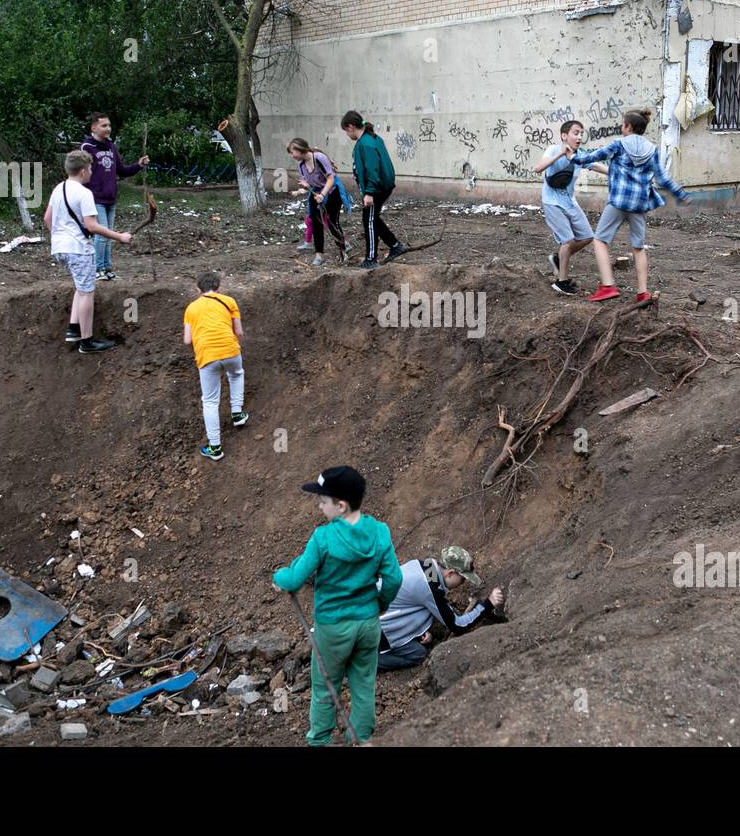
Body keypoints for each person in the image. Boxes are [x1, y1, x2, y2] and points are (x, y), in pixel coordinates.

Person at [272, 467, 402, 746]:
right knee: (364, 685)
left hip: (332, 628)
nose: (319, 506)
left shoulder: (323, 538)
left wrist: (278, 576)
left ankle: (320, 740)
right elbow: (394, 578)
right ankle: (361, 737)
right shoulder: (380, 533)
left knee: (325, 686)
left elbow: (294, 579)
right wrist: (379, 604)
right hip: (368, 624)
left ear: (341, 506)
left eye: (323, 501)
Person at [541, 109, 690, 304]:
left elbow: (594, 156)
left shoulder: (619, 144)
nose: (621, 127)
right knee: (638, 247)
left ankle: (608, 286)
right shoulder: (652, 149)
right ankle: (643, 292)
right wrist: (680, 193)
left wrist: (573, 158)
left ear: (627, 127)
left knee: (599, 241)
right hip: (640, 204)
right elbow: (662, 178)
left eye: (623, 124)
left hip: (619, 201)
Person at [44, 149, 132, 354]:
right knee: (86, 293)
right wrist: (119, 236)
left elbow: (48, 218)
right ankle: (87, 341)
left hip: (60, 248)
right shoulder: (84, 193)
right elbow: (92, 226)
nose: (92, 172)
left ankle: (74, 328)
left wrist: (60, 237)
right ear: (83, 171)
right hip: (79, 249)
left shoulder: (58, 188)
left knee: (80, 285)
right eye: (91, 168)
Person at [377, 546, 504, 670]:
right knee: (418, 654)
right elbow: (457, 625)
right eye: (462, 579)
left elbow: (405, 604)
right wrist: (488, 604)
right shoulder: (430, 587)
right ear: (450, 573)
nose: (462, 583)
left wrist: (417, 634)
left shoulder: (425, 565)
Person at [534, 120, 607, 295]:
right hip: (552, 201)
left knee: (587, 236)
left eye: (581, 133)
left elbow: (596, 165)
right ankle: (561, 282)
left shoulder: (579, 156)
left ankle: (558, 259)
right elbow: (538, 168)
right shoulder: (553, 149)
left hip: (569, 202)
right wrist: (561, 154)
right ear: (564, 135)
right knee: (567, 241)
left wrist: (620, 173)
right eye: (576, 133)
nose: (579, 137)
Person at [183, 272, 248, 461]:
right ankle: (237, 413)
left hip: (207, 356)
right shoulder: (229, 301)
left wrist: (200, 351)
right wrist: (236, 347)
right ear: (219, 288)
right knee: (236, 374)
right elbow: (239, 331)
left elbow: (187, 340)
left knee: (210, 401)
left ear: (198, 290)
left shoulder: (191, 308)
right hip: (231, 350)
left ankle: (215, 447)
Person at [80, 112, 149, 281]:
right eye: (104, 125)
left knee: (108, 235)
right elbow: (80, 174)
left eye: (109, 125)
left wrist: (138, 165)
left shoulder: (111, 146)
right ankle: (97, 270)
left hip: (110, 198)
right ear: (93, 128)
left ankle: (106, 268)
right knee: (102, 233)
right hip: (95, 198)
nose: (108, 128)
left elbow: (122, 171)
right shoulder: (87, 147)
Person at [341, 110, 406, 270]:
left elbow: (373, 168)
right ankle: (395, 245)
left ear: (351, 127)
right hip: (380, 186)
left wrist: (369, 192)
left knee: (369, 220)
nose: (347, 135)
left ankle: (371, 259)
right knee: (373, 218)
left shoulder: (366, 143)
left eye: (346, 131)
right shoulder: (372, 138)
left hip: (376, 188)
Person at [288, 138, 348, 265]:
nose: (291, 155)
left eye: (292, 152)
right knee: (316, 223)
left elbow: (330, 179)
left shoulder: (319, 158)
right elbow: (309, 184)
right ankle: (319, 255)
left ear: (300, 149)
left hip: (332, 192)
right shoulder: (301, 165)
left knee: (332, 223)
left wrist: (322, 194)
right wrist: (305, 186)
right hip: (316, 193)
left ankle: (343, 249)